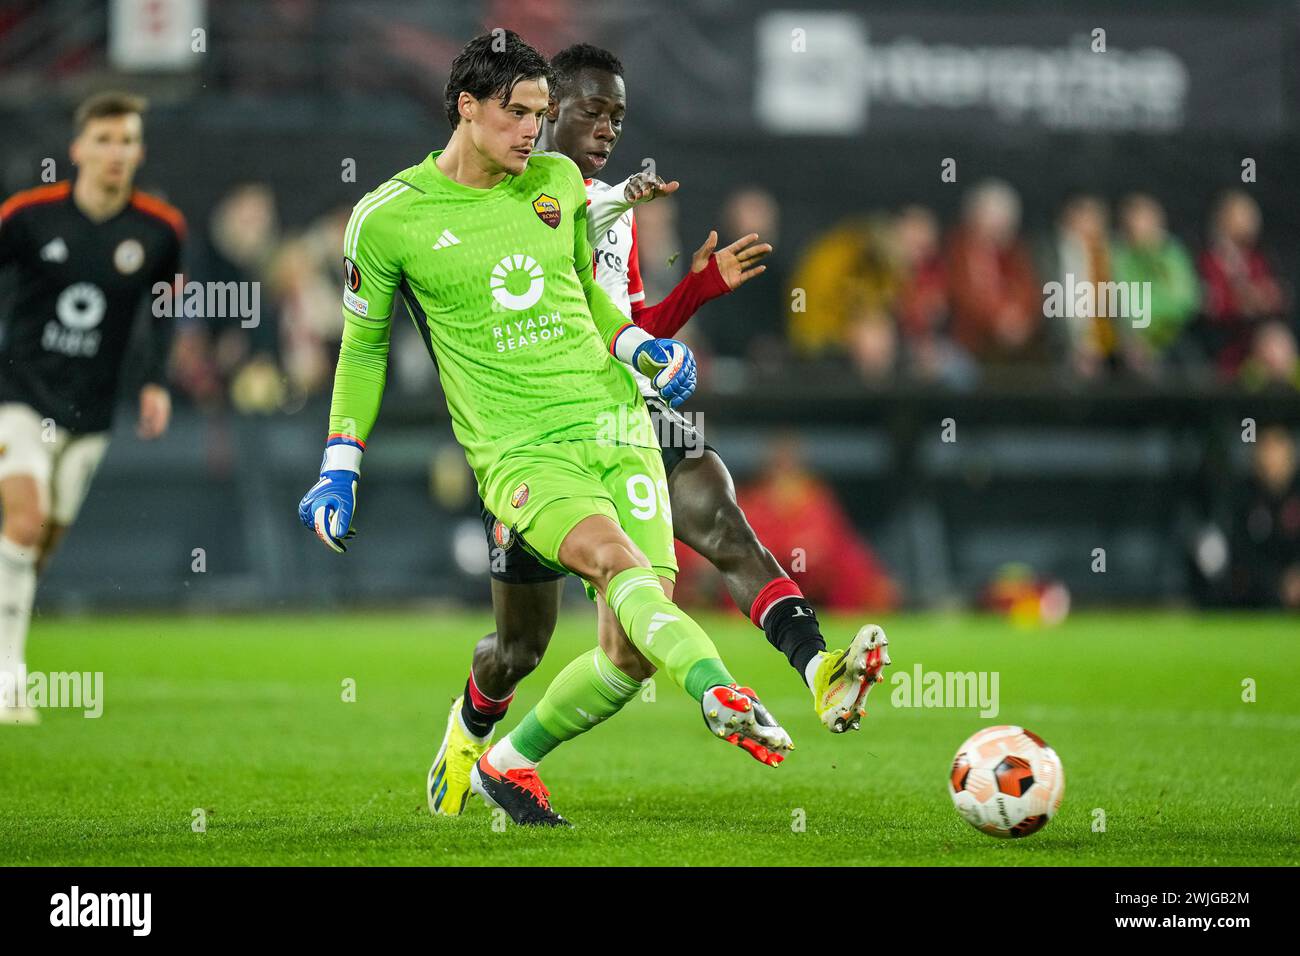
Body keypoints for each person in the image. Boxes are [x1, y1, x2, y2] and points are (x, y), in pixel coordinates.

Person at [298, 32, 812, 826]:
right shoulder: (388, 219)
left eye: (541, 112)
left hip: (617, 423)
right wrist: (340, 461)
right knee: (542, 629)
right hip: (520, 449)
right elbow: (362, 352)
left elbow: (587, 295)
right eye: (517, 113)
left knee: (631, 651)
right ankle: (716, 693)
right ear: (465, 108)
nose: (533, 129)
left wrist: (640, 346)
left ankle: (509, 761)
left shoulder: (559, 182)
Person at [427, 43, 891, 820]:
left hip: (624, 411)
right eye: (591, 111)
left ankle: (819, 667)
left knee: (718, 515)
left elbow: (629, 321)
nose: (608, 129)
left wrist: (697, 293)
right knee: (520, 649)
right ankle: (475, 732)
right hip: (534, 436)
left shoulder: (612, 211)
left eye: (619, 116)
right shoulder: (500, 200)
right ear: (544, 111)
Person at [0, 92, 184, 723]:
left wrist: (155, 382)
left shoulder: (160, 231)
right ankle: (8, 683)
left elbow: (161, 314)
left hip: (92, 410)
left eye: (127, 140)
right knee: (23, 522)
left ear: (139, 151)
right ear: (78, 149)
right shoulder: (25, 218)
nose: (116, 152)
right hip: (19, 396)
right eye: (104, 140)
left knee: (37, 545)